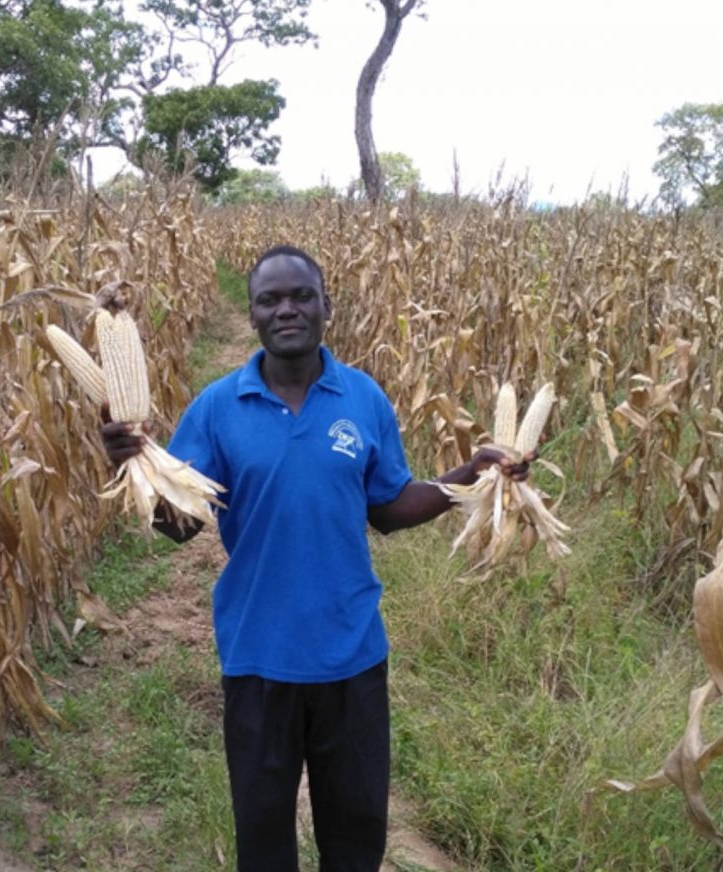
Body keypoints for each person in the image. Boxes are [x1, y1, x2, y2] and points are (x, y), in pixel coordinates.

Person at [102, 245, 531, 871]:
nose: (287, 309)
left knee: (356, 840)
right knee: (263, 841)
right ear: (250, 315)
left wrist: (468, 474)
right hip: (257, 658)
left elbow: (386, 507)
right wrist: (129, 461)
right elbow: (181, 528)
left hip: (351, 656)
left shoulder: (363, 399)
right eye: (270, 299)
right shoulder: (219, 409)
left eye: (301, 295)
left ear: (326, 305)